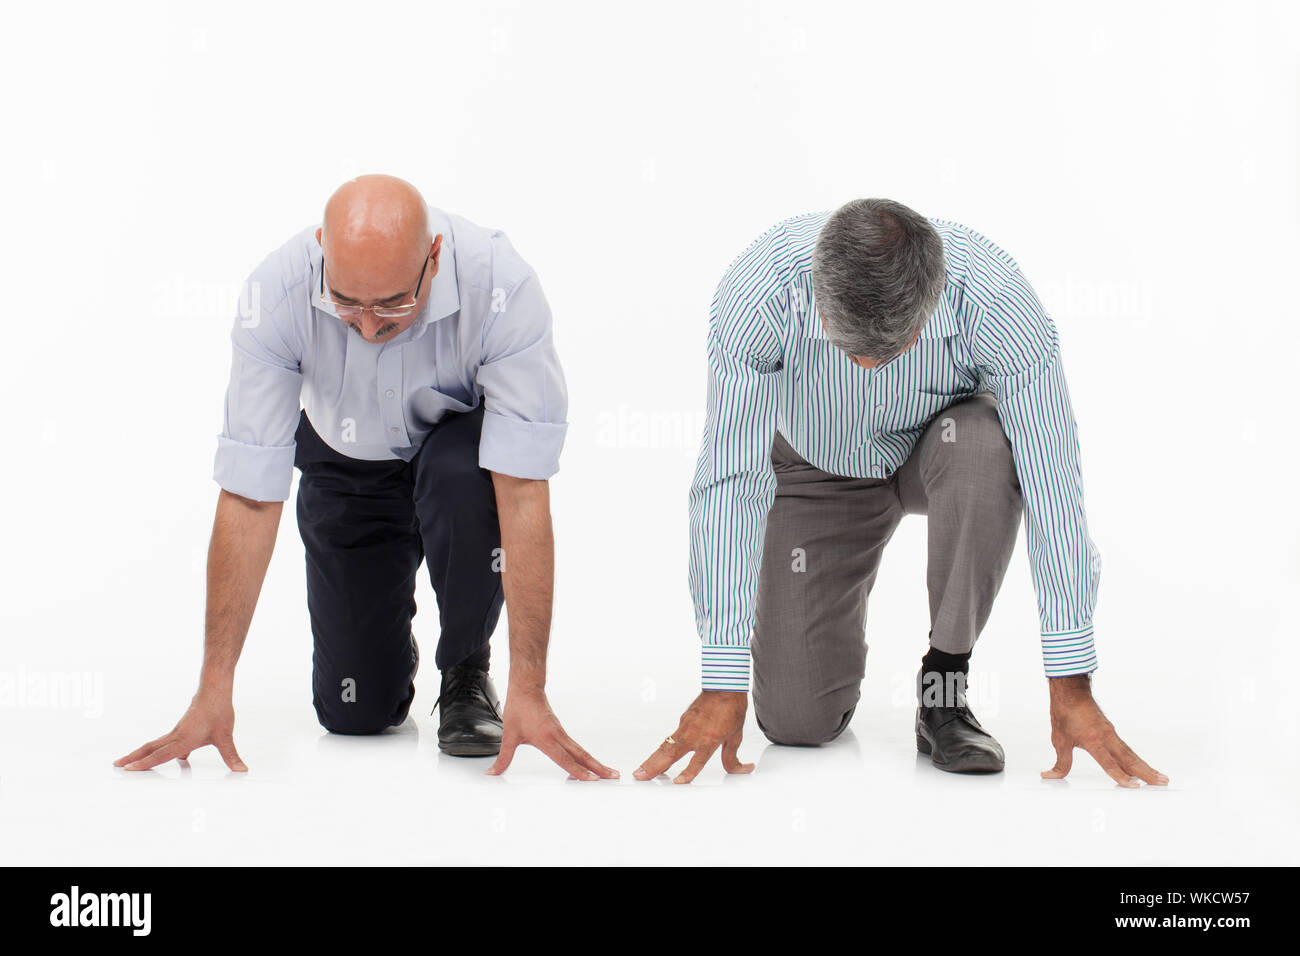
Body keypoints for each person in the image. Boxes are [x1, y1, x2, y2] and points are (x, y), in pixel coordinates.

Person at [635, 198, 1166, 788]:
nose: (866, 368)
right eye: (847, 348)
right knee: (795, 721)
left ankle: (945, 689)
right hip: (815, 465)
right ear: (818, 299)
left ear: (932, 302)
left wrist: (1072, 683)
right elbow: (730, 480)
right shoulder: (760, 293)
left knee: (987, 446)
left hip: (938, 448)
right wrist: (721, 679)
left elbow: (1053, 478)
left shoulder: (995, 299)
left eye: (891, 351)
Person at [116, 175, 616, 781]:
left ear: (433, 259)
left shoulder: (502, 285)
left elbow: (524, 488)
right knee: (354, 713)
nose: (371, 328)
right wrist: (211, 691)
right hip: (344, 464)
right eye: (348, 303)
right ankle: (383, 633)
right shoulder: (276, 293)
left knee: (463, 473)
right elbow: (250, 496)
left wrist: (530, 690)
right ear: (323, 249)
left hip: (453, 457)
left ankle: (464, 672)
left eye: (394, 305)